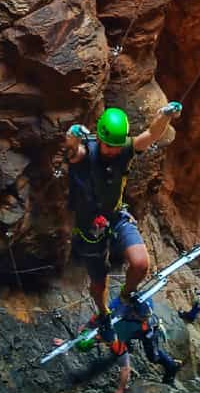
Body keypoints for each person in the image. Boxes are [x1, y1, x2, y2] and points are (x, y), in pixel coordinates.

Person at [63, 102, 182, 342]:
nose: (113, 151)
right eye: (109, 146)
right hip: (90, 229)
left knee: (140, 264)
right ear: (100, 138)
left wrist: (165, 116)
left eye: (117, 146)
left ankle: (127, 295)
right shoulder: (88, 152)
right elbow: (72, 151)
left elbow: (151, 135)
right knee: (99, 281)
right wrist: (72, 136)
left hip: (116, 216)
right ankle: (104, 313)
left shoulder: (124, 149)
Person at [53, 297, 182, 393]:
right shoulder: (104, 318)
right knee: (123, 343)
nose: (97, 341)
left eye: (97, 340)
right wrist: (69, 343)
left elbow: (125, 368)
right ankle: (129, 343)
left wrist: (119, 392)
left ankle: (172, 367)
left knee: (153, 357)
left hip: (146, 331)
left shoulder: (116, 342)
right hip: (130, 326)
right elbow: (85, 329)